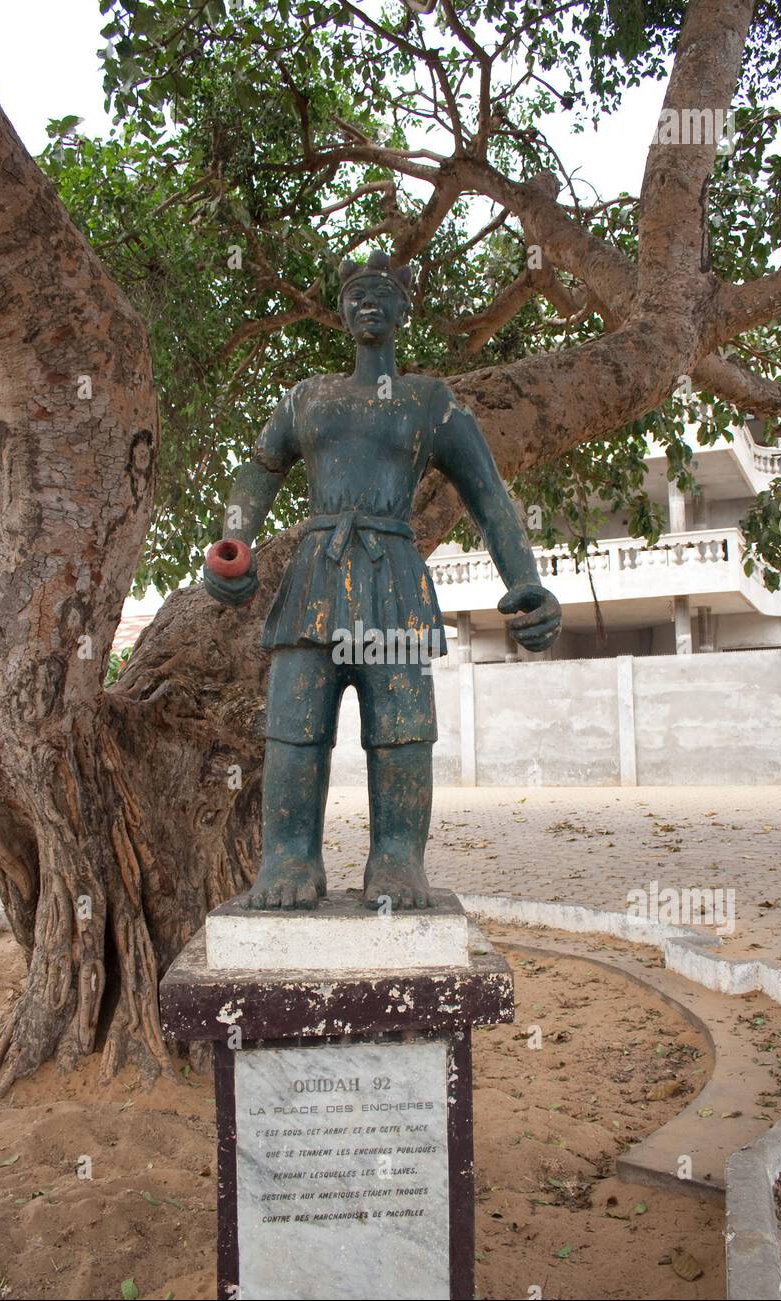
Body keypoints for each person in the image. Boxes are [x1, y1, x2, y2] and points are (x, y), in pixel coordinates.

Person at [204, 250, 561, 910]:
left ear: (403, 309)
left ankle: (397, 858)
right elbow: (257, 469)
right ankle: (288, 856)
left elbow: (489, 496)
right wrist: (234, 542)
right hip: (314, 579)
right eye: (355, 294)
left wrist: (527, 581)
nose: (367, 303)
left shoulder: (430, 401)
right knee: (294, 725)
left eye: (381, 293)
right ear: (341, 312)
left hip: (393, 581)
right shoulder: (307, 397)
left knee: (402, 728)